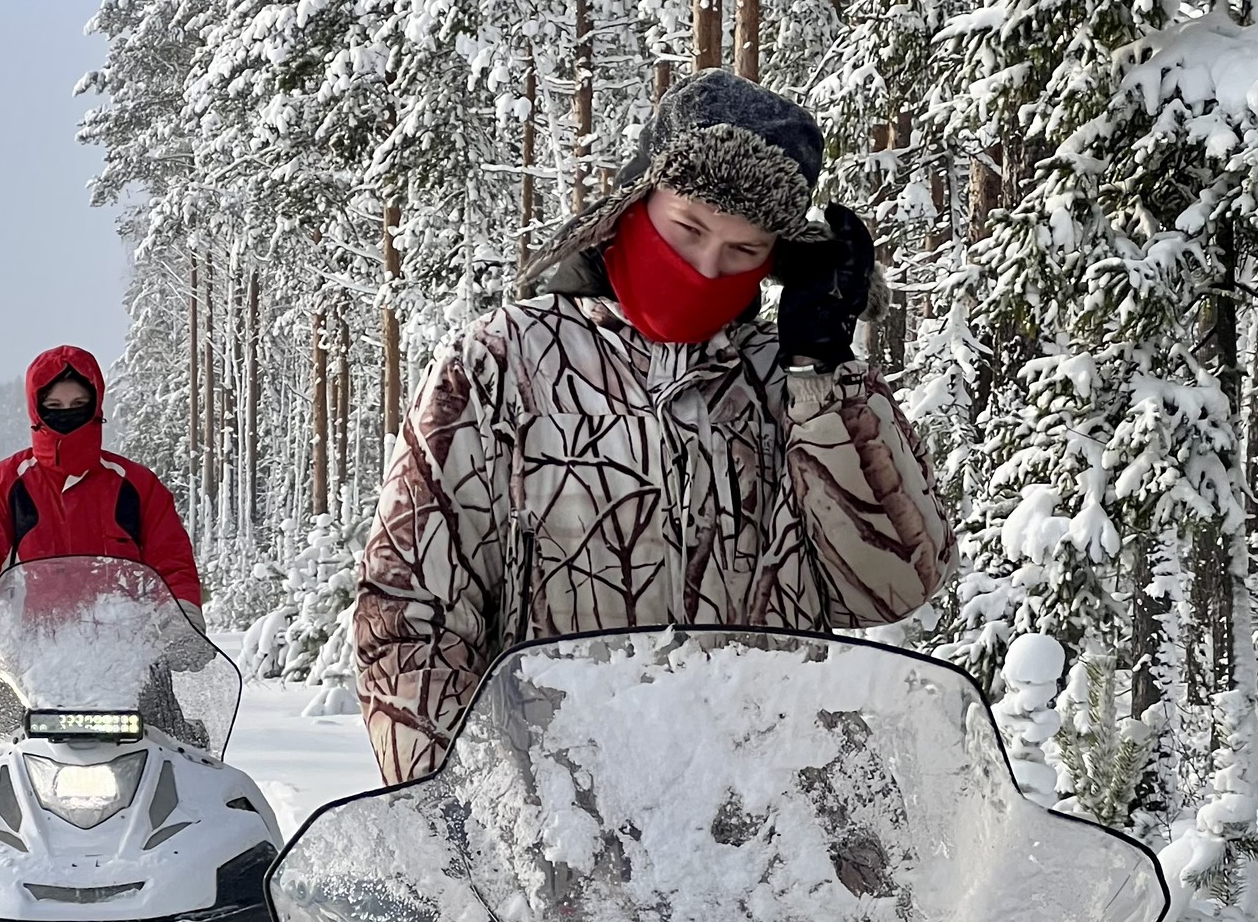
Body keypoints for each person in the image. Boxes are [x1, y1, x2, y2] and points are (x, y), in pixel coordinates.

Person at [353, 70, 954, 785]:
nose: (705, 267)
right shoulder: (499, 363)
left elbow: (892, 585)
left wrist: (819, 375)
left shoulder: (781, 378)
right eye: (688, 229)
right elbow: (407, 617)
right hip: (569, 840)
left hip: (781, 842)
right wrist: (477, 815)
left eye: (742, 251)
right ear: (635, 202)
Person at [0, 344, 204, 650]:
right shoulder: (3, 485)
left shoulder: (136, 485)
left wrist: (183, 624)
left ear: (96, 405)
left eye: (79, 403)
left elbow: (171, 559)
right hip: (26, 664)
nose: (68, 413)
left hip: (131, 661)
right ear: (36, 409)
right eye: (55, 405)